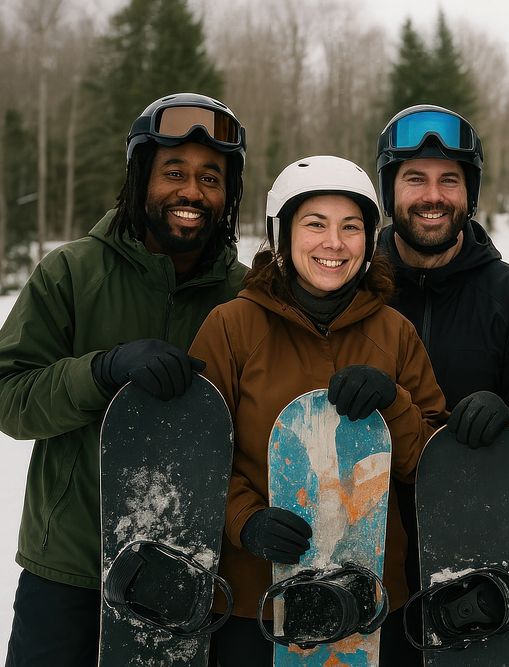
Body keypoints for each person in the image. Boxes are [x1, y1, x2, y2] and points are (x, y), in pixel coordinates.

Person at [0, 92, 248, 665]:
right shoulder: (71, 272)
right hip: (69, 568)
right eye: (175, 173)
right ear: (140, 177)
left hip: (190, 577)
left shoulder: (241, 295)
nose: (192, 191)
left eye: (211, 178)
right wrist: (101, 371)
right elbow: (9, 399)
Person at [191, 155, 447, 665]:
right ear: (281, 236)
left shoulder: (394, 333)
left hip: (369, 603)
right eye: (315, 225)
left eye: (351, 227)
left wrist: (392, 402)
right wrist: (246, 519)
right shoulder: (232, 328)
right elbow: (198, 454)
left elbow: (432, 466)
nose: (334, 243)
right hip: (256, 603)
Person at [374, 103, 509, 641]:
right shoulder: (356, 289)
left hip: (475, 565)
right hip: (366, 548)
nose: (433, 196)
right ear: (390, 193)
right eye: (415, 179)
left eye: (449, 180)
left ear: (469, 194)